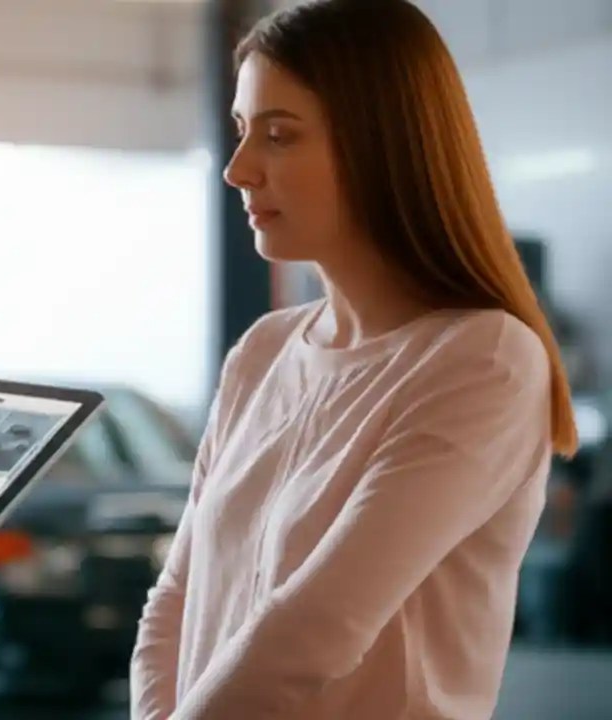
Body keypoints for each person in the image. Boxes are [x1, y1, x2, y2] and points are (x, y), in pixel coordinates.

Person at [129, 1, 577, 718]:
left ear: (381, 144)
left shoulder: (482, 360)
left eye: (279, 136)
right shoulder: (264, 352)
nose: (239, 170)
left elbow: (312, 632)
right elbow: (174, 601)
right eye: (243, 131)